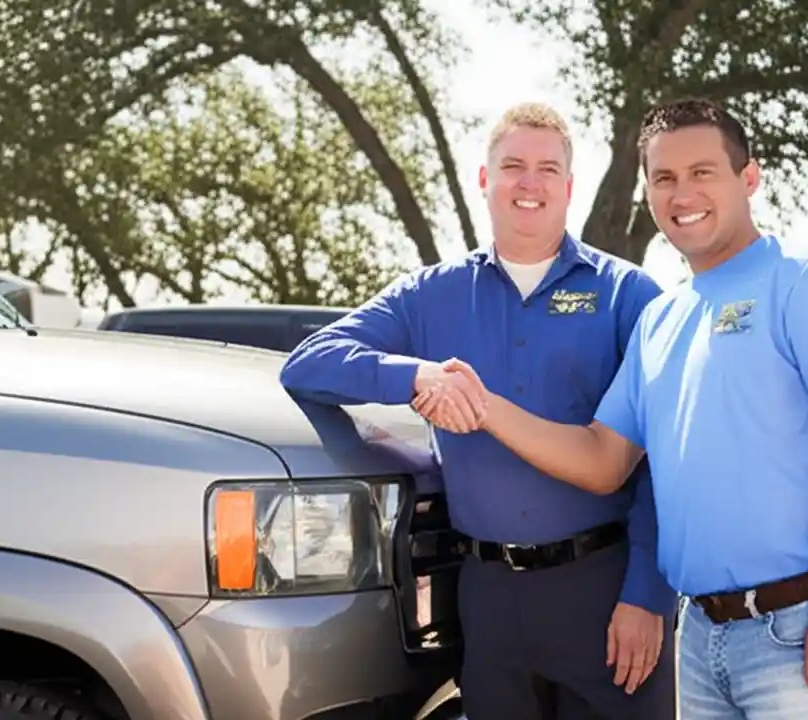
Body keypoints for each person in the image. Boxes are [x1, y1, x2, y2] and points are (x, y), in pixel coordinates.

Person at [417, 97, 808, 718]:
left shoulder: (805, 281)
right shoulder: (662, 319)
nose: (682, 192)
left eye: (703, 172)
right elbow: (603, 459)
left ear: (748, 178)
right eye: (664, 177)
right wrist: (482, 406)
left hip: (802, 629)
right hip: (701, 639)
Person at [279, 102, 677, 720]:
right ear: (484, 180)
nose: (529, 182)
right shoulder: (430, 295)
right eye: (512, 165)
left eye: (547, 169)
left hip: (604, 592)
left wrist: (649, 596)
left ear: (569, 188)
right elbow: (309, 361)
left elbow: (665, 460)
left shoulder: (628, 294)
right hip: (487, 600)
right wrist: (415, 375)